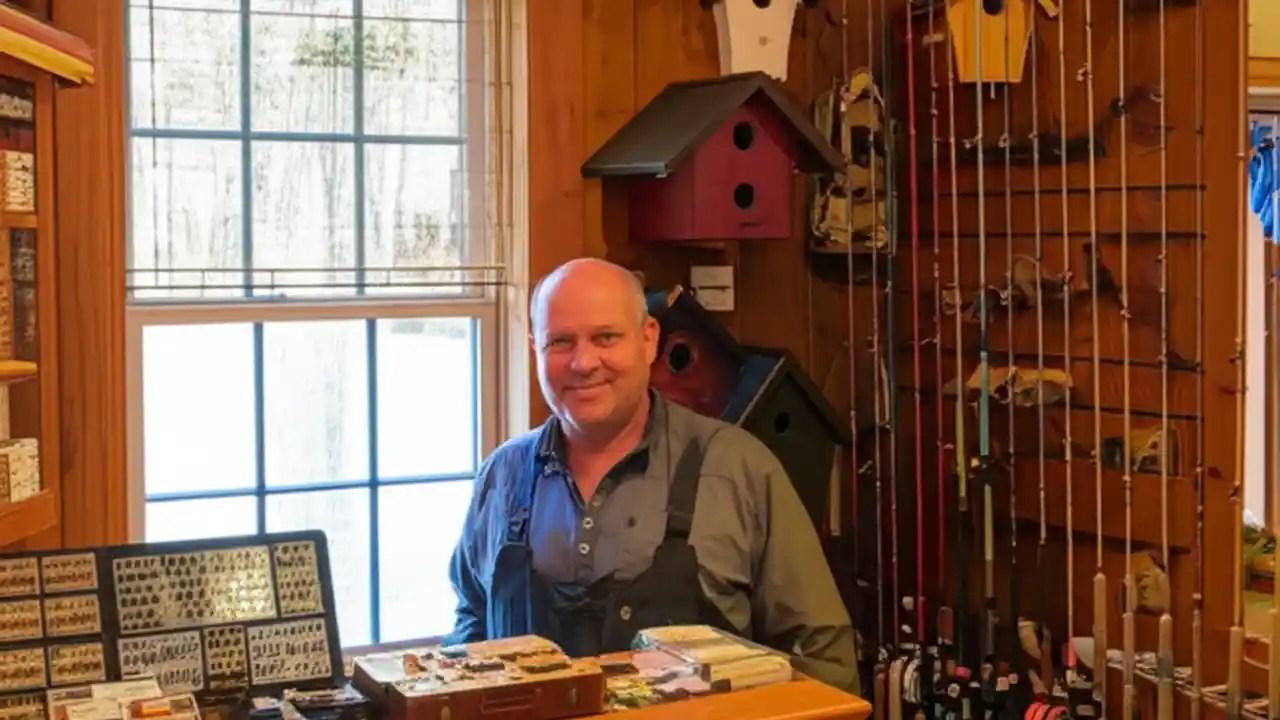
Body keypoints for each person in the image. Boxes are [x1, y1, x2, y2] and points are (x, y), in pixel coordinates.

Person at [445, 257, 859, 692]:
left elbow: (825, 663)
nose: (584, 362)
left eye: (606, 337)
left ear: (649, 341)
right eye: (561, 342)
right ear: (536, 350)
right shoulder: (502, 476)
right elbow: (471, 622)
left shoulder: (737, 470)